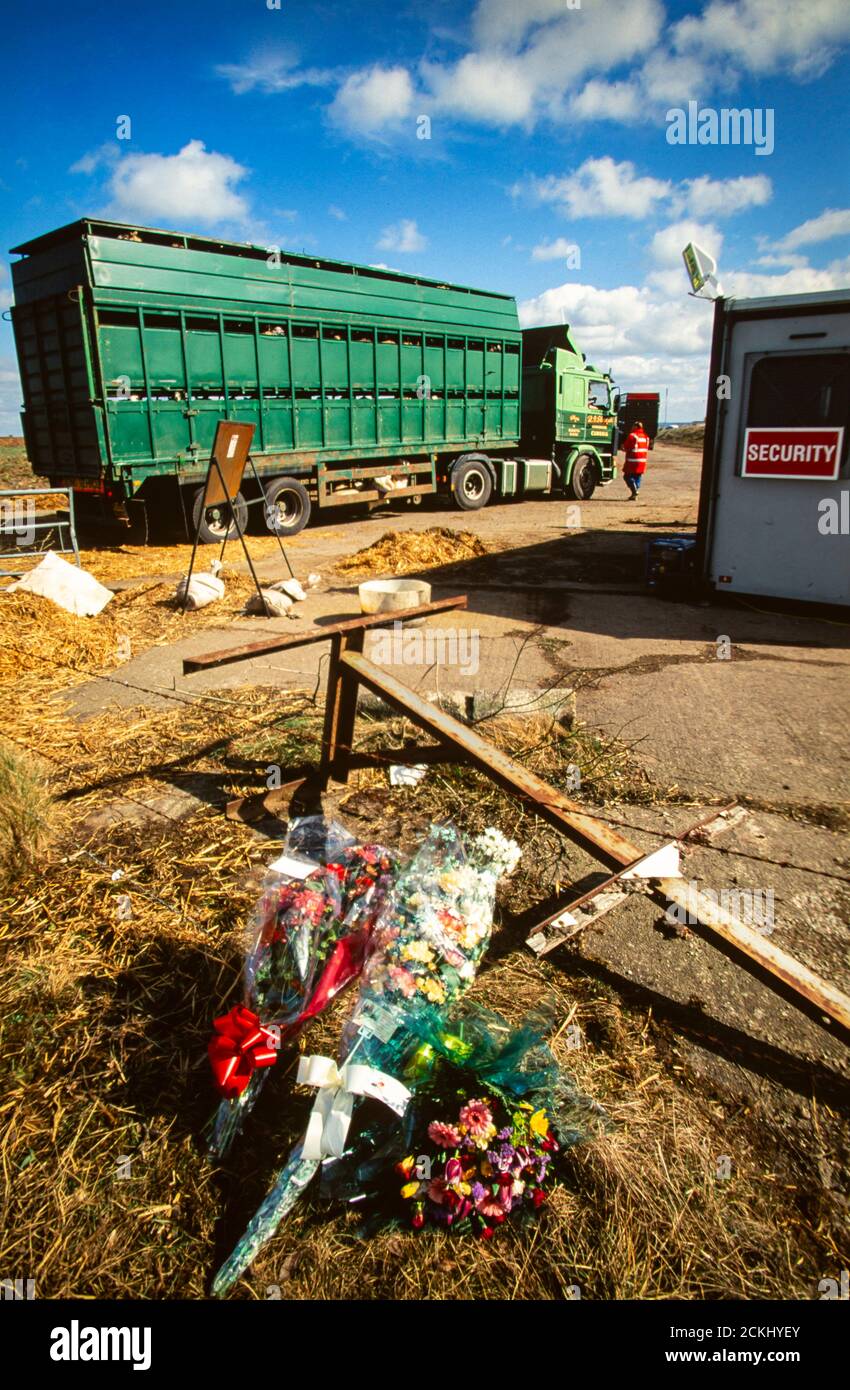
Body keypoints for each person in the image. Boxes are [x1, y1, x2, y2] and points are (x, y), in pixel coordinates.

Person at [622, 419, 649, 499]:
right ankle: (634, 494)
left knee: (627, 476)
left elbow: (627, 447)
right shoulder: (646, 437)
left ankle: (634, 491)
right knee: (638, 477)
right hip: (642, 461)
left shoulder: (632, 436)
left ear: (635, 427)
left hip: (632, 460)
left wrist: (623, 448)